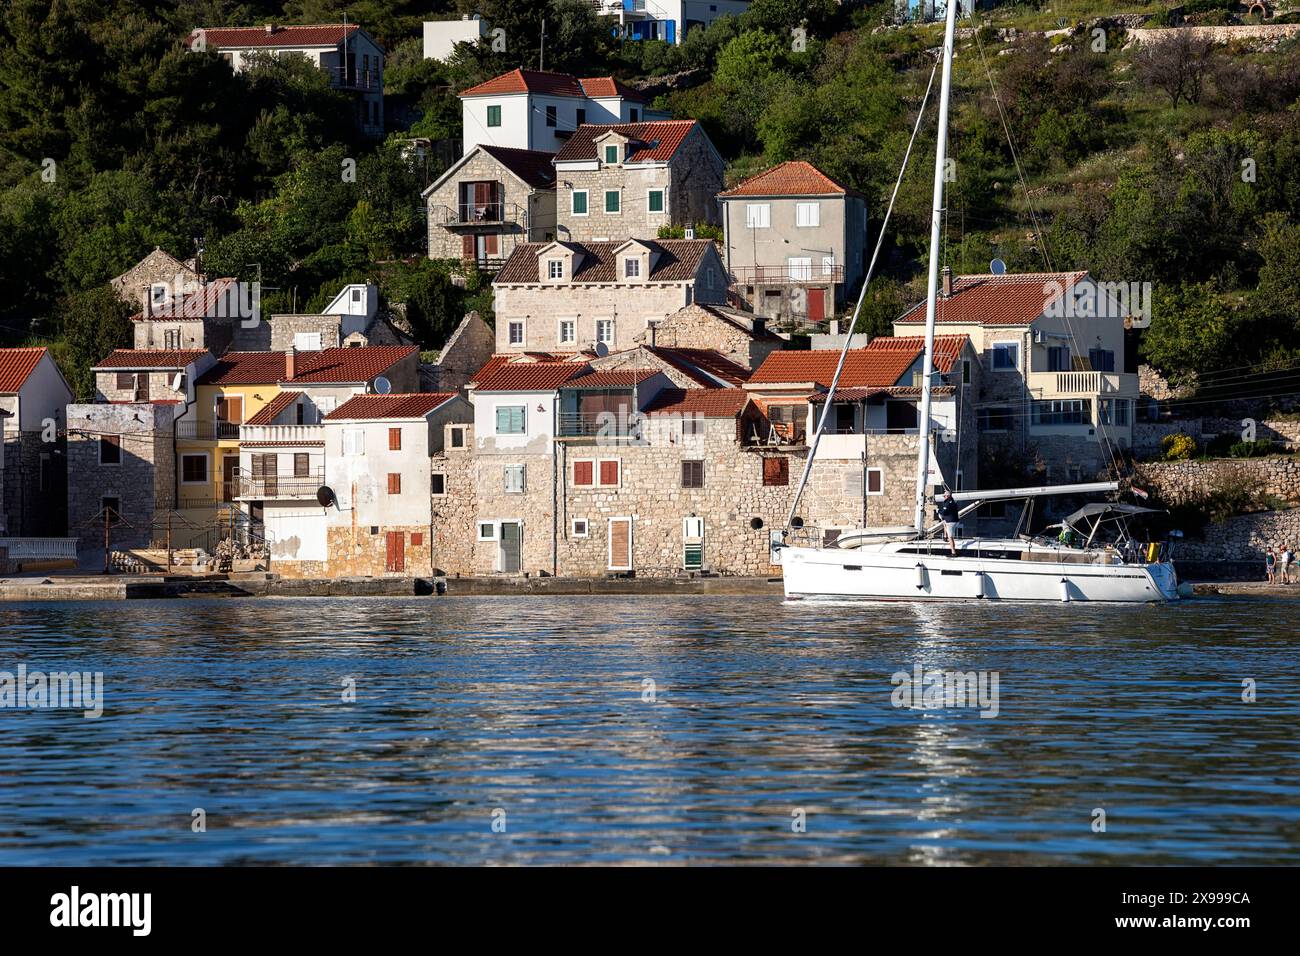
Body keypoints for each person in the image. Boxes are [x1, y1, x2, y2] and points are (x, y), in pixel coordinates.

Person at [937, 489, 961, 556]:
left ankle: (953, 552)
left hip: (951, 522)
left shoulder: (948, 503)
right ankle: (945, 536)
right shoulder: (952, 501)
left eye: (944, 496)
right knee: (944, 521)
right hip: (955, 520)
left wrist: (938, 511)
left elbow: (944, 512)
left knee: (950, 537)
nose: (944, 497)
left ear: (947, 496)